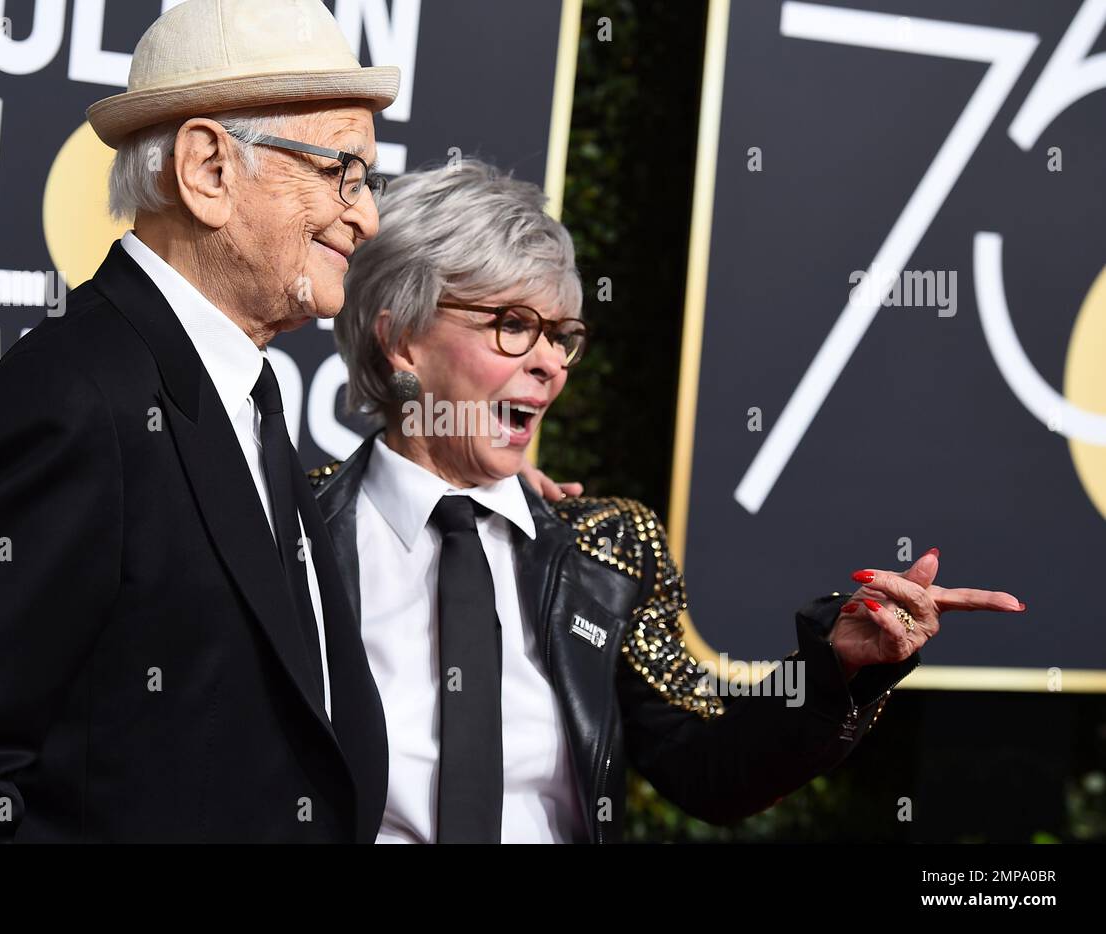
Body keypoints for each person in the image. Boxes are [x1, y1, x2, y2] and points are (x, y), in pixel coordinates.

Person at [311, 159, 1026, 843]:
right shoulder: (290, 529)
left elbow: (706, 766)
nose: (551, 363)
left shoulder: (607, 549)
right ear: (403, 340)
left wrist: (833, 669)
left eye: (563, 336)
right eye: (514, 326)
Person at [0, 0, 401, 842]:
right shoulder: (70, 403)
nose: (367, 215)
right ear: (208, 168)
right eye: (339, 172)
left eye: (368, 181)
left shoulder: (244, 393)